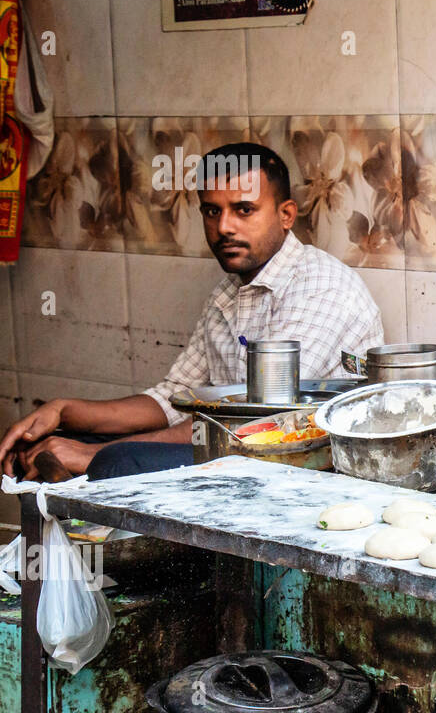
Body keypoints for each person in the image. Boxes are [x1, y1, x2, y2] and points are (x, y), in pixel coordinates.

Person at [0, 142, 384, 481]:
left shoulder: (319, 287)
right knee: (68, 443)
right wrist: (64, 412)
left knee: (116, 461)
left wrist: (92, 454)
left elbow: (256, 424)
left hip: (300, 469)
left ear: (286, 215)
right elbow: (174, 398)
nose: (225, 227)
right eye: (212, 212)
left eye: (244, 210)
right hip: (237, 451)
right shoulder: (231, 291)